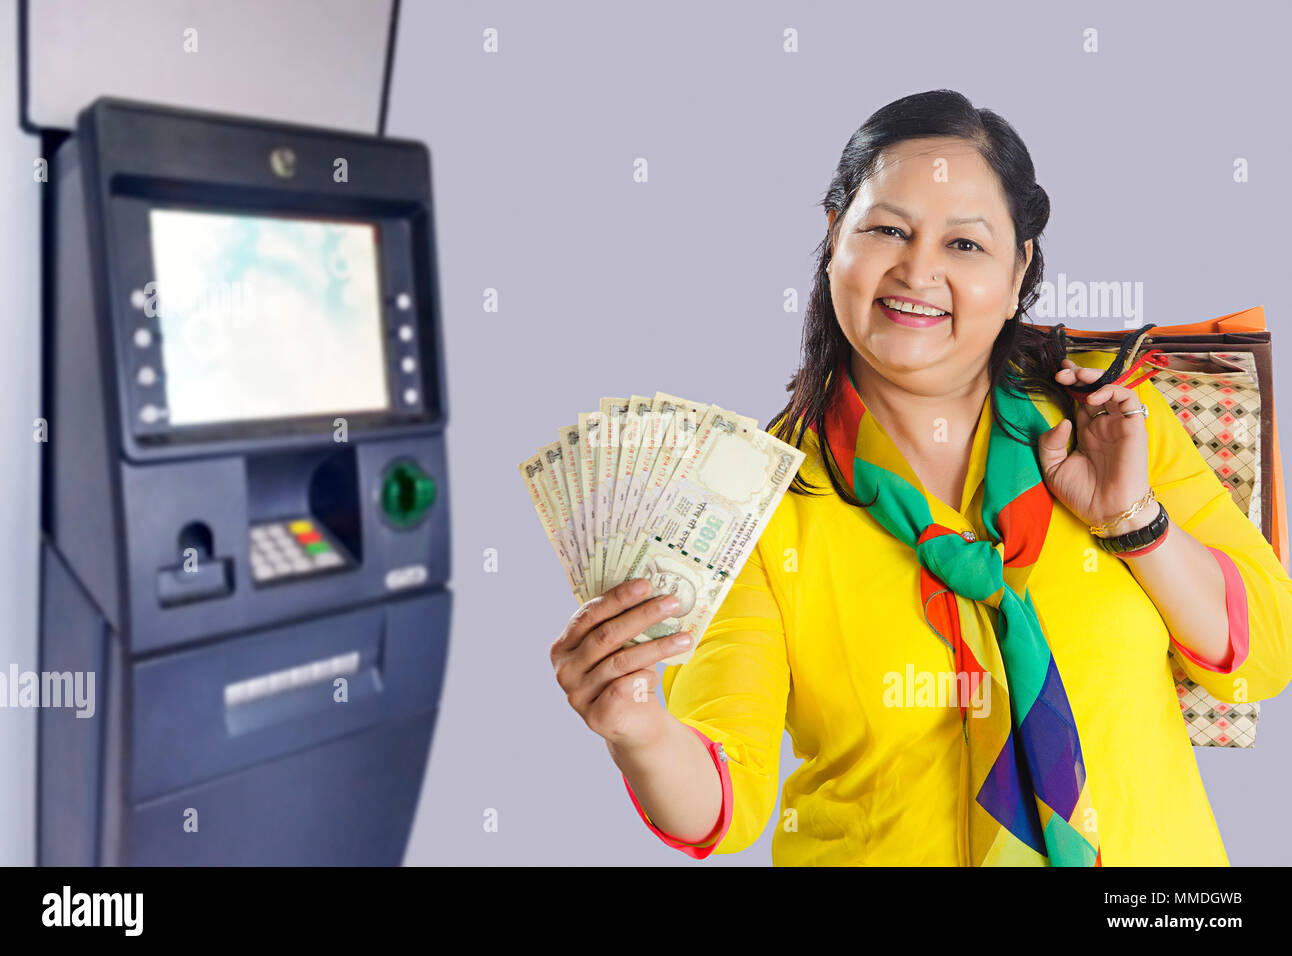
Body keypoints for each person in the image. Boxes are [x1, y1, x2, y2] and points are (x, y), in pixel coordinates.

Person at [548, 89, 1292, 865]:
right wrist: (640, 730)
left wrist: (1133, 519)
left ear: (1018, 270)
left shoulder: (1112, 420)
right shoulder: (753, 496)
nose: (918, 270)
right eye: (887, 230)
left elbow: (1265, 657)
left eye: (965, 245)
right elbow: (723, 796)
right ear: (835, 238)